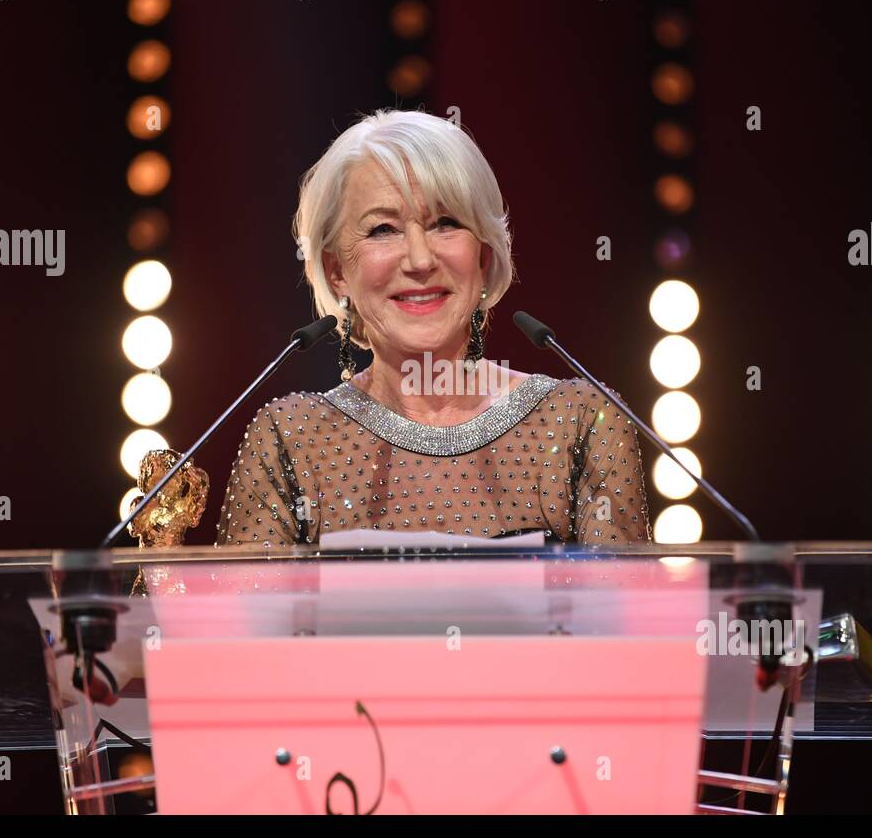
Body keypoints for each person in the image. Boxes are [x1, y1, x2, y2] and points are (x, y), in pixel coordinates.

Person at [215, 109, 650, 547]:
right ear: (336, 272)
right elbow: (239, 614)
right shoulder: (292, 437)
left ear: (482, 257)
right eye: (383, 230)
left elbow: (621, 611)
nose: (420, 260)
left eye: (446, 223)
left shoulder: (580, 422)